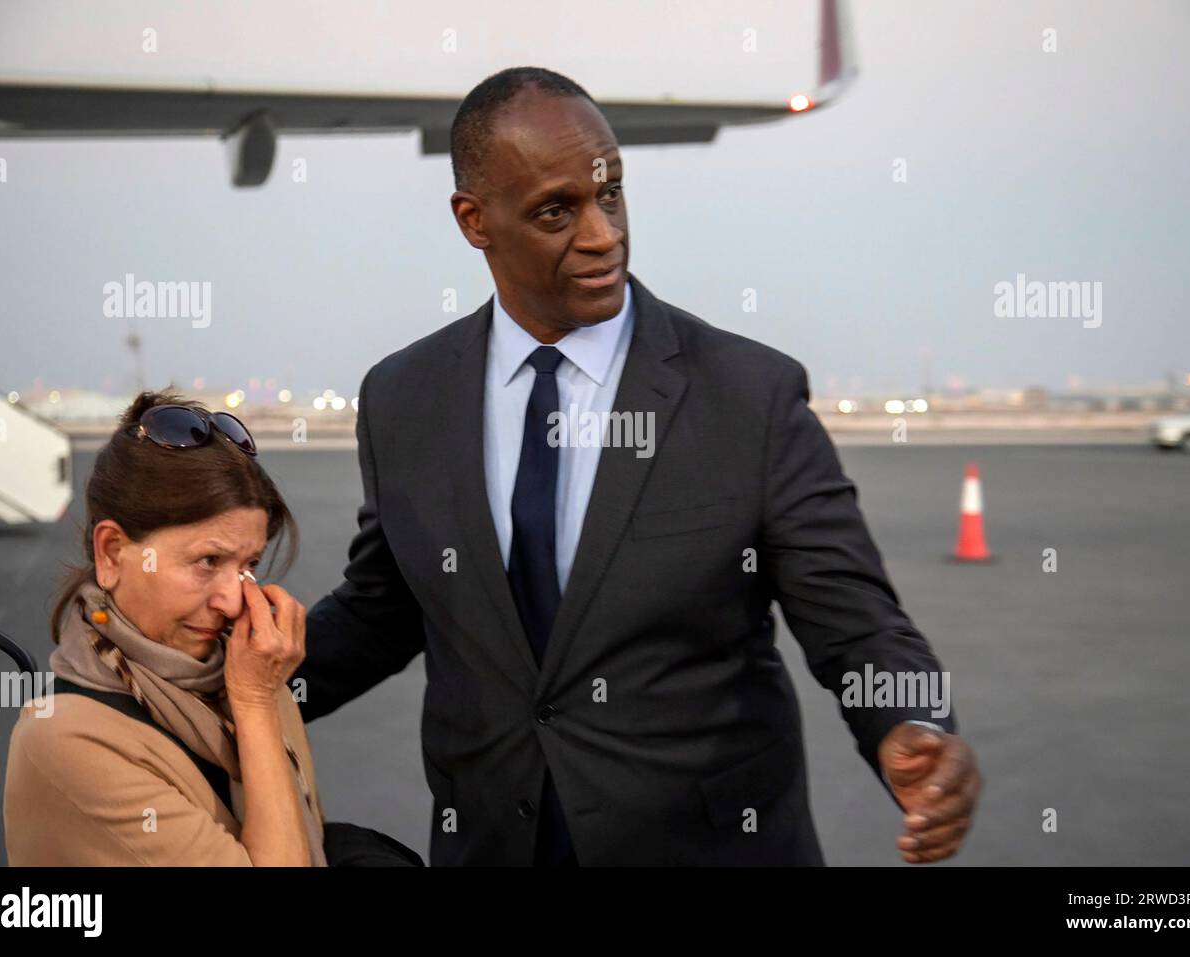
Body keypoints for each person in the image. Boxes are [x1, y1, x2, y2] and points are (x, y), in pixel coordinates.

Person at [294, 67, 982, 866]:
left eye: (609, 194)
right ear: (473, 221)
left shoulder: (746, 396)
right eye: (558, 210)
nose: (602, 234)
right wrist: (220, 697)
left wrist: (913, 724)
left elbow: (854, 616)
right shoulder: (404, 397)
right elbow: (385, 609)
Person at [6, 390, 323, 865]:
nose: (235, 598)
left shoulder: (247, 676)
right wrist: (256, 707)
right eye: (207, 560)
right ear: (112, 552)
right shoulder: (65, 739)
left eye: (249, 564)